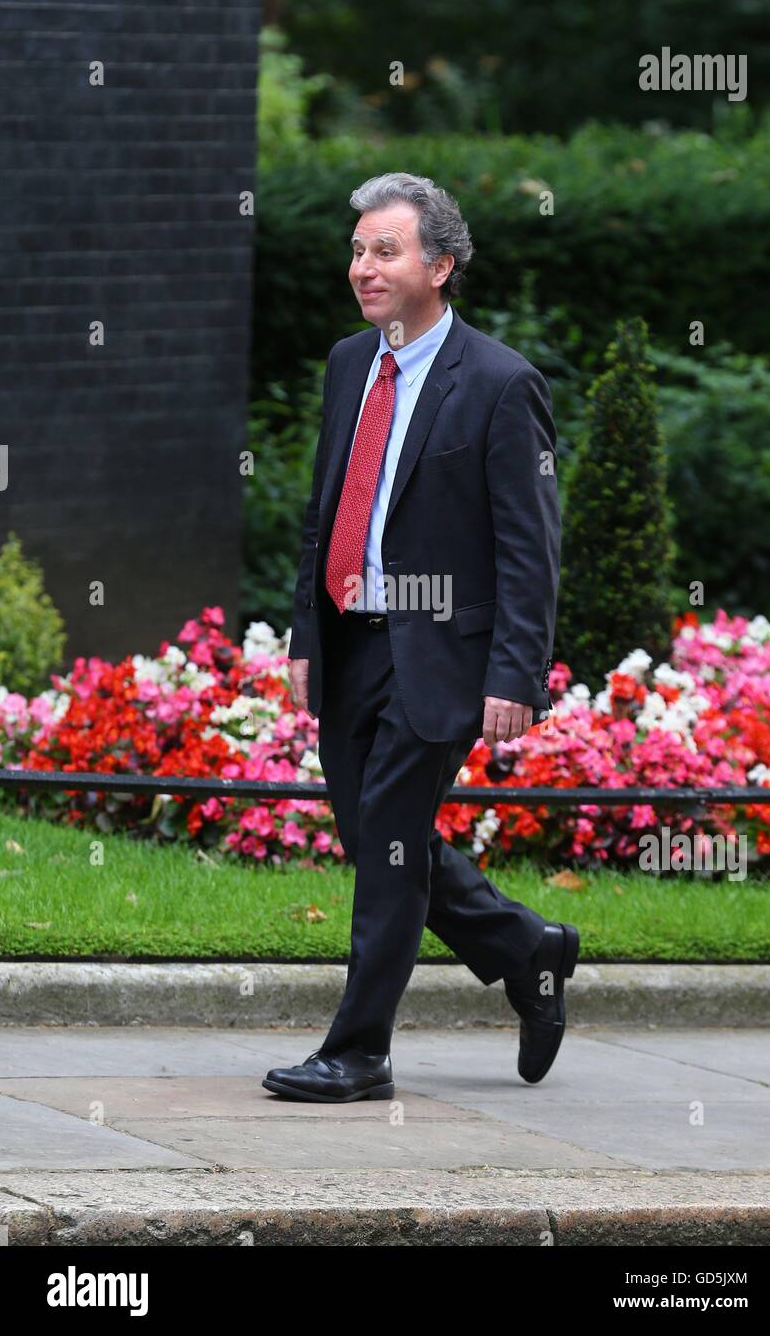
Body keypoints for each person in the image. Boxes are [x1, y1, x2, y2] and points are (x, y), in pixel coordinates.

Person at [262, 172, 578, 1104]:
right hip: (351, 644)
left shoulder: (499, 382)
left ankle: (359, 1052)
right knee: (377, 841)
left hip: (437, 654)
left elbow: (530, 546)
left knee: (391, 841)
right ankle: (530, 949)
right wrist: (302, 637)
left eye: (384, 250)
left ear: (439, 265)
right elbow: (324, 513)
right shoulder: (346, 363)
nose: (363, 266)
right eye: (357, 249)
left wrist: (516, 671)